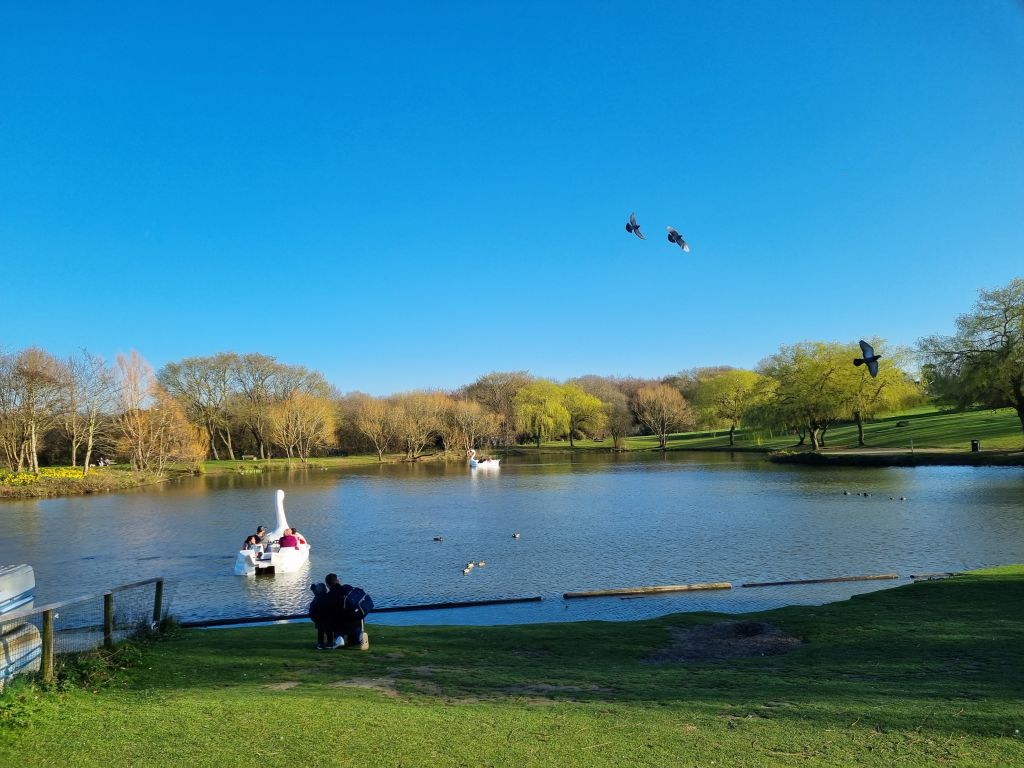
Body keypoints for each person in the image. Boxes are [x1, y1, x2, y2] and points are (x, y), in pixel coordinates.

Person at [324, 573, 370, 650]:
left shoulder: (329, 596)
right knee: (353, 638)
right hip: (357, 620)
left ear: (327, 585)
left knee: (332, 620)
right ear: (338, 581)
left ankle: (339, 638)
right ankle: (359, 637)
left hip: (341, 625)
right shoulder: (347, 588)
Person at [309, 582, 330, 649]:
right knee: (328, 631)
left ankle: (321, 644)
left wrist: (314, 618)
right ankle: (330, 643)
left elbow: (312, 609)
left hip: (319, 619)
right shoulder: (328, 596)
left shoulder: (316, 599)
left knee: (321, 632)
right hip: (328, 619)